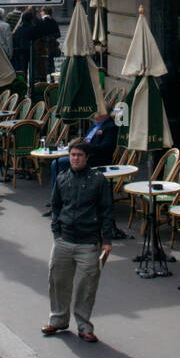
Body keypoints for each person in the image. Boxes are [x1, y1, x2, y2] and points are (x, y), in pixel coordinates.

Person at [43, 138, 114, 344]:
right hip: (63, 240)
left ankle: (84, 326)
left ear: (87, 157)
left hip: (89, 243)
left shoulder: (98, 180)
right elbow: (55, 206)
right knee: (57, 281)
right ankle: (58, 320)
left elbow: (106, 211)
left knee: (87, 286)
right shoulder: (62, 178)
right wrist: (56, 232)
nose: (75, 159)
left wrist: (106, 240)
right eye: (72, 155)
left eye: (79, 155)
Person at [12, 6, 39, 77]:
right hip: (31, 49)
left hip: (21, 50)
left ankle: (24, 80)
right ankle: (32, 81)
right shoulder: (33, 27)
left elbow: (16, 38)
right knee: (32, 67)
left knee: (23, 67)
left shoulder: (20, 28)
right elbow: (35, 38)